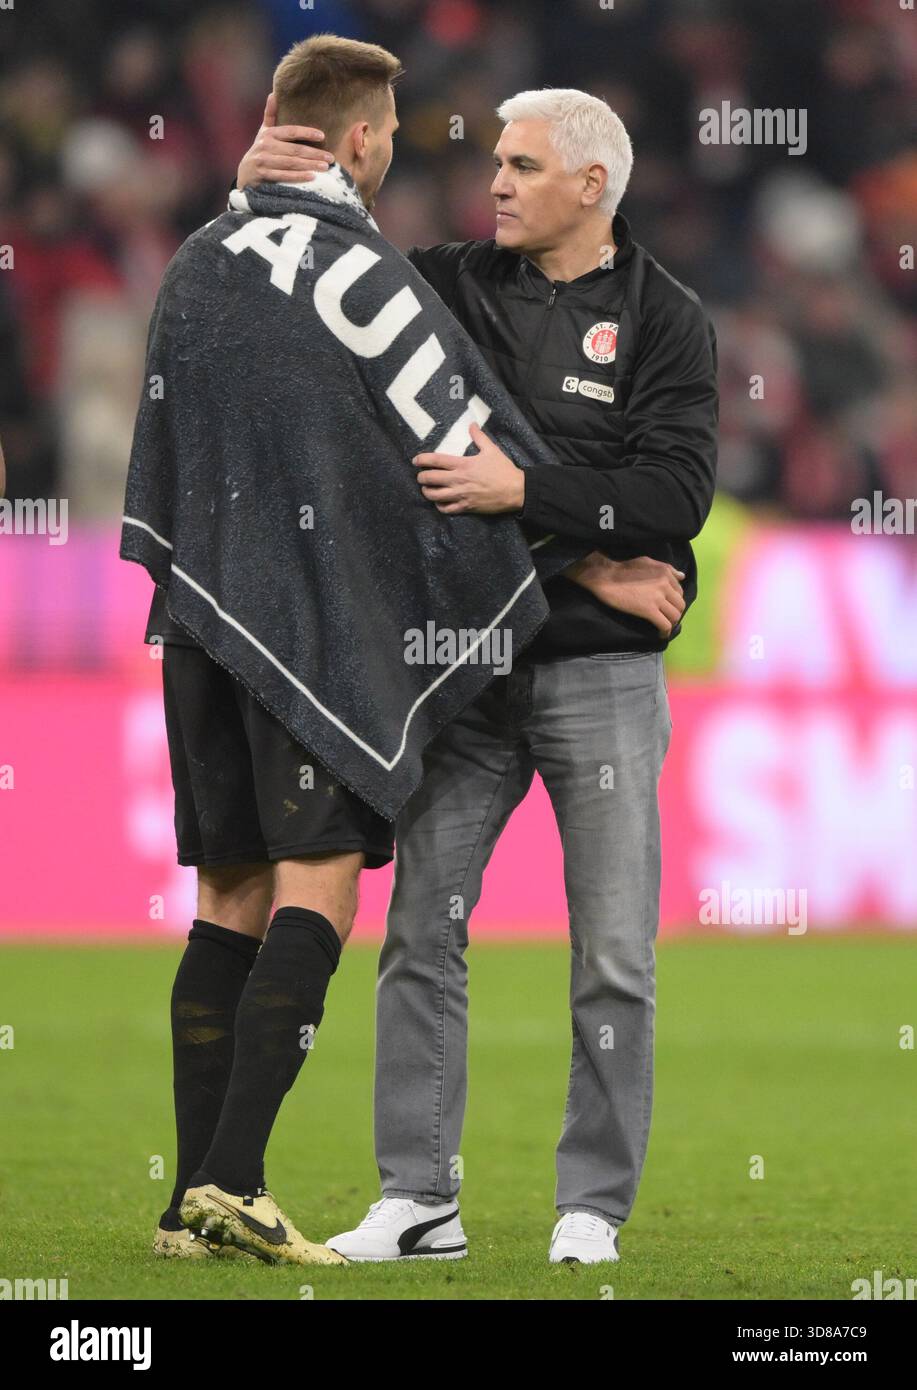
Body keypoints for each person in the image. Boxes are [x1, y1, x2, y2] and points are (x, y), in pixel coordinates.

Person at [131, 37, 662, 1268]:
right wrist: (592, 559)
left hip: (192, 618)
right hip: (298, 627)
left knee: (225, 895)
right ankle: (233, 1181)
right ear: (363, 140)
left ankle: (184, 1212)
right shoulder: (363, 275)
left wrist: (237, 185)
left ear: (276, 126)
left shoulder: (207, 252)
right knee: (321, 883)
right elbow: (450, 422)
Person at [236, 84, 718, 1265]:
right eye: (493, 162)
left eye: (519, 165)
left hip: (599, 682)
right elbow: (372, 429)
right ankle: (418, 1200)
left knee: (611, 950)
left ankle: (589, 1208)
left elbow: (676, 498)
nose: (491, 181)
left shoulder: (665, 318)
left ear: (591, 185)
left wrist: (520, 495)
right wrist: (258, 188)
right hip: (462, 672)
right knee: (420, 933)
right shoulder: (441, 284)